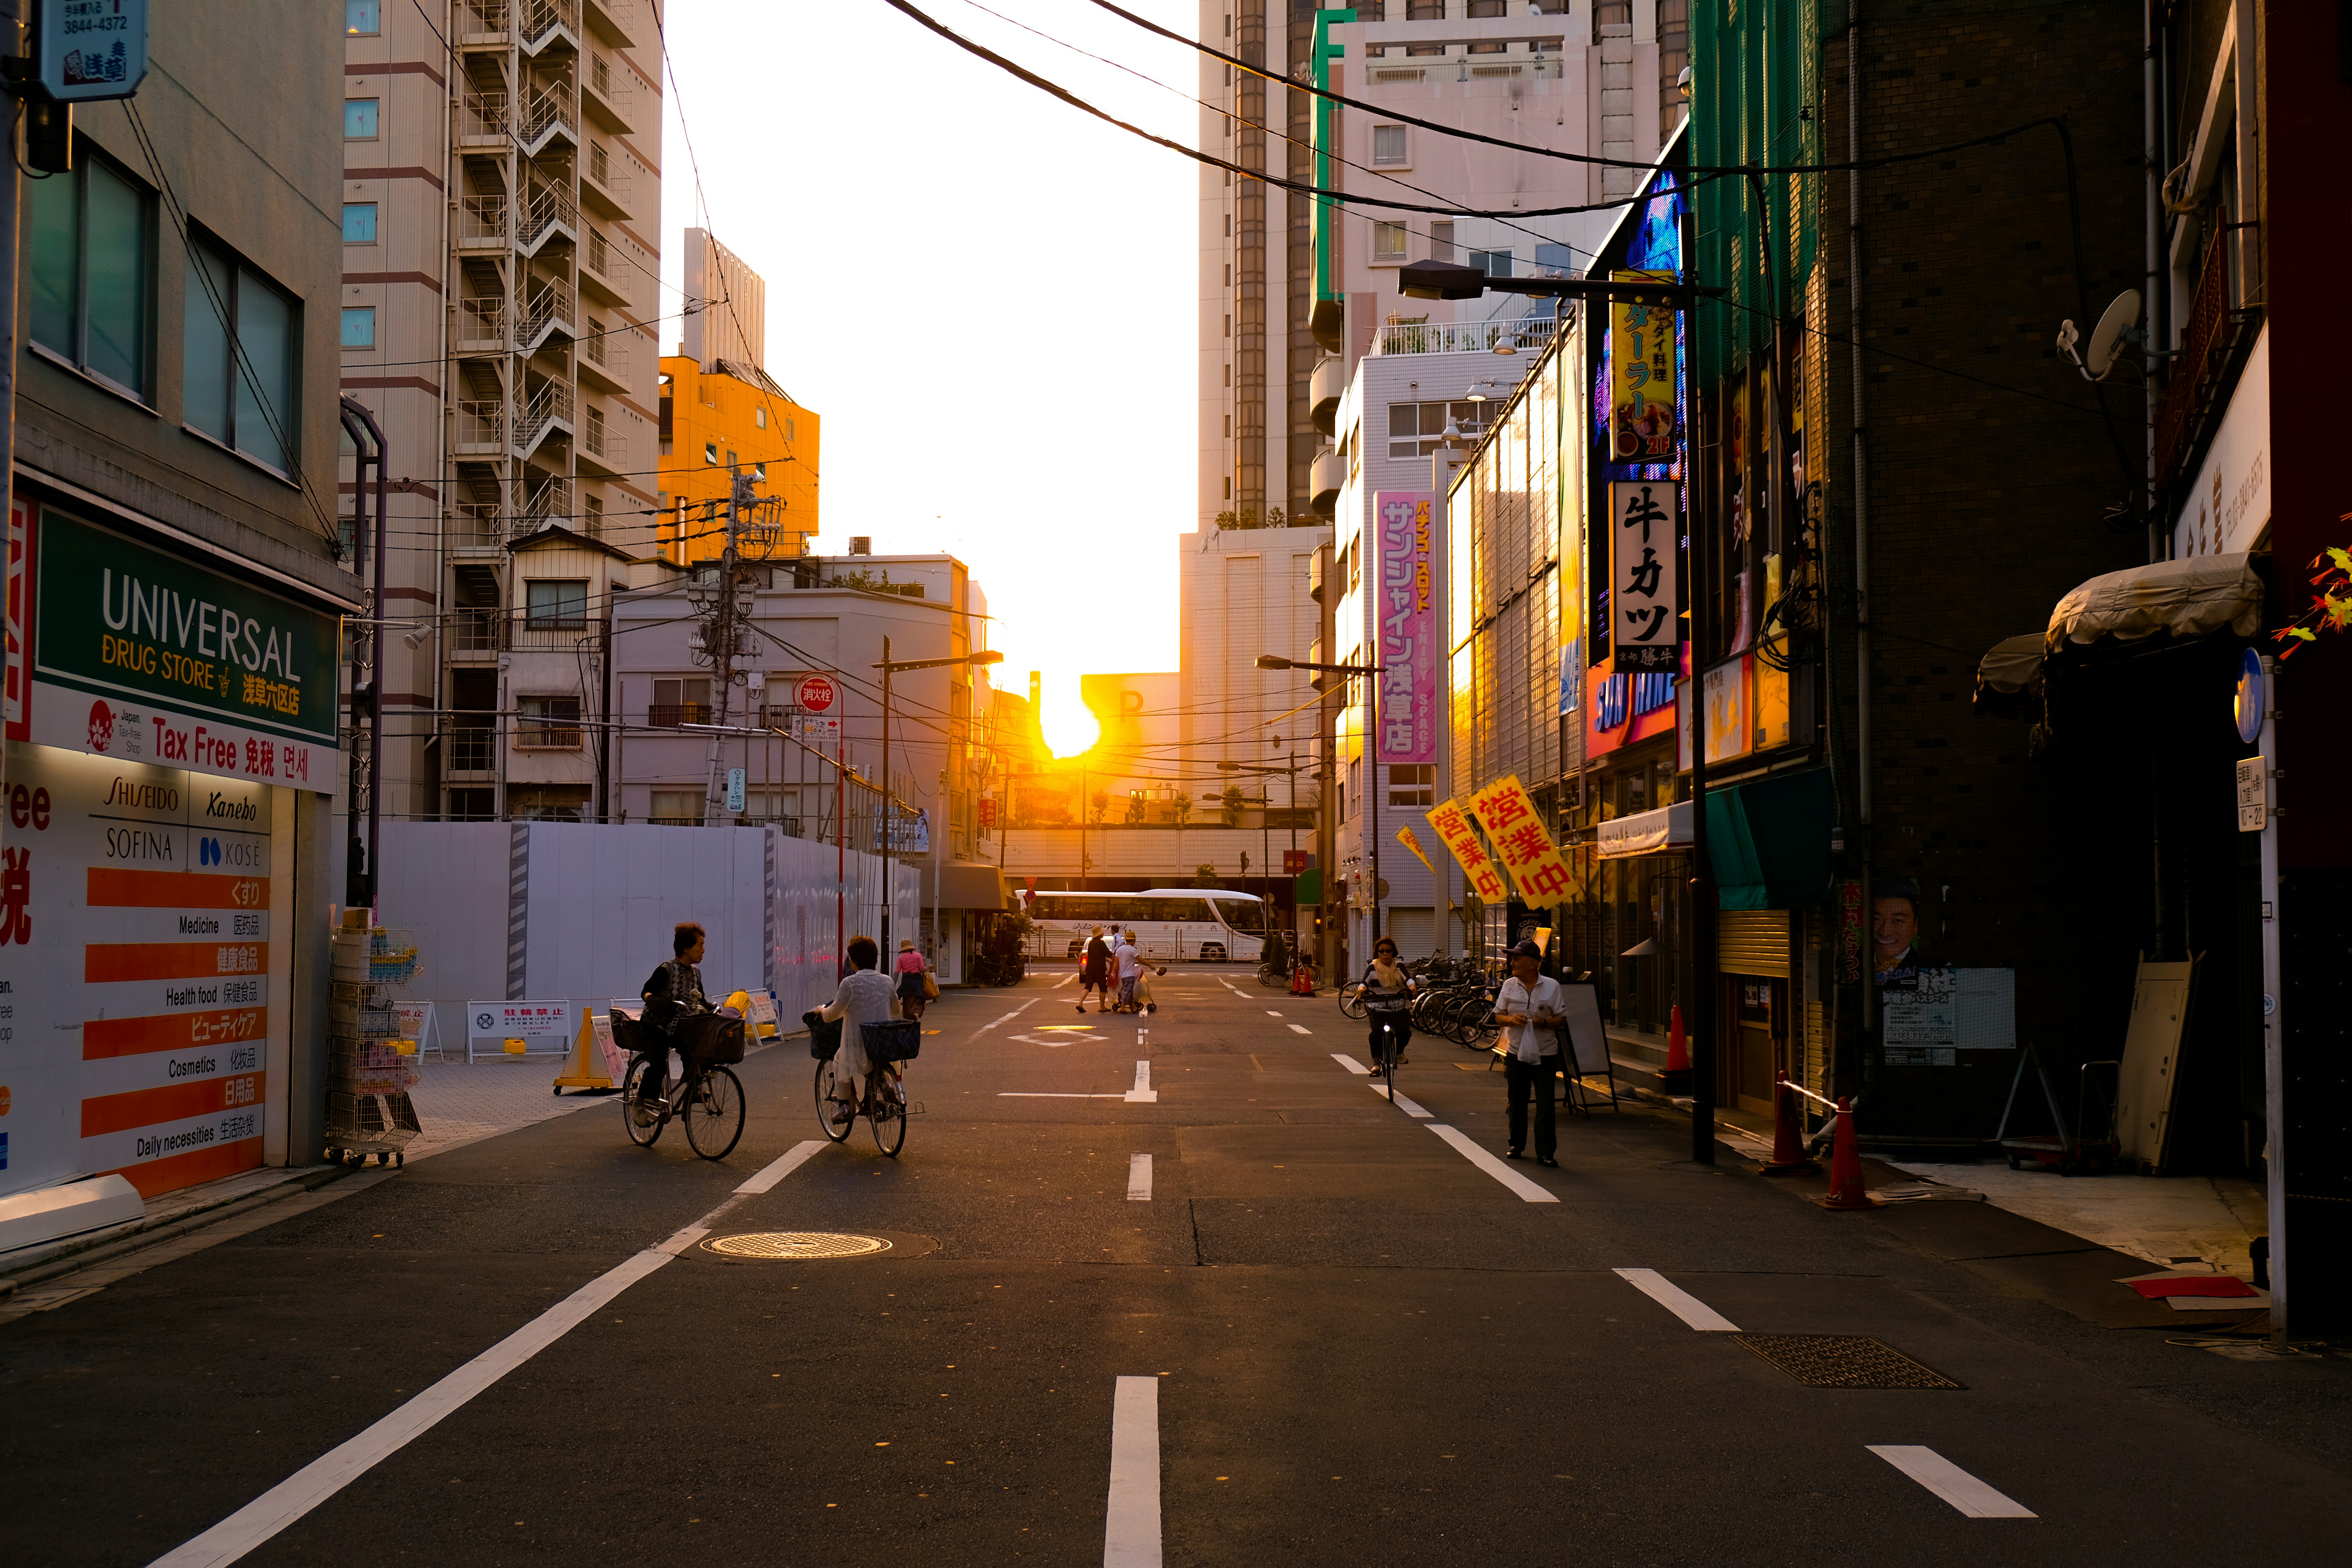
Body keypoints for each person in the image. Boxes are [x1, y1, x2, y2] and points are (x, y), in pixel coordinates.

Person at [1492, 937, 1565, 1166]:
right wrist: (1512, 1020)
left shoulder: (1552, 986)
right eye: (1512, 958)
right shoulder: (1509, 985)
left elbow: (1561, 1019)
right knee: (1517, 1099)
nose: (1512, 962)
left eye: (1517, 958)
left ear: (1532, 964)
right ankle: (1516, 1144)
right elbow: (1498, 1016)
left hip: (1546, 1052)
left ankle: (1546, 1152)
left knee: (1545, 1102)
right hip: (1515, 1051)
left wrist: (1542, 1023)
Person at [635, 922, 714, 1125]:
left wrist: (713, 1008)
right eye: (700, 945)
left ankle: (693, 1089)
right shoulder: (666, 970)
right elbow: (646, 990)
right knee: (659, 1066)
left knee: (696, 1053)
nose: (703, 950)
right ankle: (641, 1103)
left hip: (680, 1027)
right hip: (655, 1027)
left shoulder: (696, 974)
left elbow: (701, 999)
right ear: (686, 948)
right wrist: (652, 999)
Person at [820, 934, 900, 1127]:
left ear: (854, 961)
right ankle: (885, 1084)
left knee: (839, 1059)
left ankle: (844, 1106)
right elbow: (896, 1009)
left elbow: (834, 1014)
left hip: (857, 1045)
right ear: (876, 959)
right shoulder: (888, 981)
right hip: (883, 1044)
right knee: (875, 1060)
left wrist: (822, 1011)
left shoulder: (849, 984)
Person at [1361, 936, 1414, 1071]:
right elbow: (1364, 983)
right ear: (1377, 953)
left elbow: (1408, 979)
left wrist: (1412, 987)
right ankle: (1376, 1063)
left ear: (1394, 953)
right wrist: (1361, 989)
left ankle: (1399, 1052)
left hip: (1398, 1007)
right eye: (1382, 951)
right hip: (1378, 1009)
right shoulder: (1373, 967)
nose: (1385, 954)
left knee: (1404, 1031)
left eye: (1388, 951)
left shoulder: (1399, 966)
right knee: (1375, 1034)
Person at [893, 936, 933, 1021]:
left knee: (908, 999)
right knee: (918, 999)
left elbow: (897, 973)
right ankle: (916, 1013)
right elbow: (922, 969)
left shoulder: (901, 958)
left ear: (904, 949)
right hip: (917, 980)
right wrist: (929, 967)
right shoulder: (918, 956)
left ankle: (911, 1016)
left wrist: (893, 984)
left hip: (907, 981)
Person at [1079, 925, 1114, 1013]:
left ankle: (1080, 1004)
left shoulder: (1091, 943)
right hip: (1100, 968)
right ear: (1100, 934)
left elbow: (1098, 955)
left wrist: (1107, 960)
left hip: (1090, 968)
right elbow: (1109, 954)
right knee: (1103, 988)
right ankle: (1102, 1007)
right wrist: (1115, 959)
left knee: (1088, 986)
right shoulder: (1101, 943)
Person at [1114, 928, 1147, 1013]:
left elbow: (1116, 962)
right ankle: (1122, 1007)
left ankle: (1134, 1007)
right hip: (1130, 974)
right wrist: (1150, 965)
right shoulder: (1133, 950)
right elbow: (1141, 960)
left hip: (1122, 975)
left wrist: (1114, 972)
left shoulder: (1120, 949)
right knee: (1128, 991)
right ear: (1133, 940)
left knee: (1130, 992)